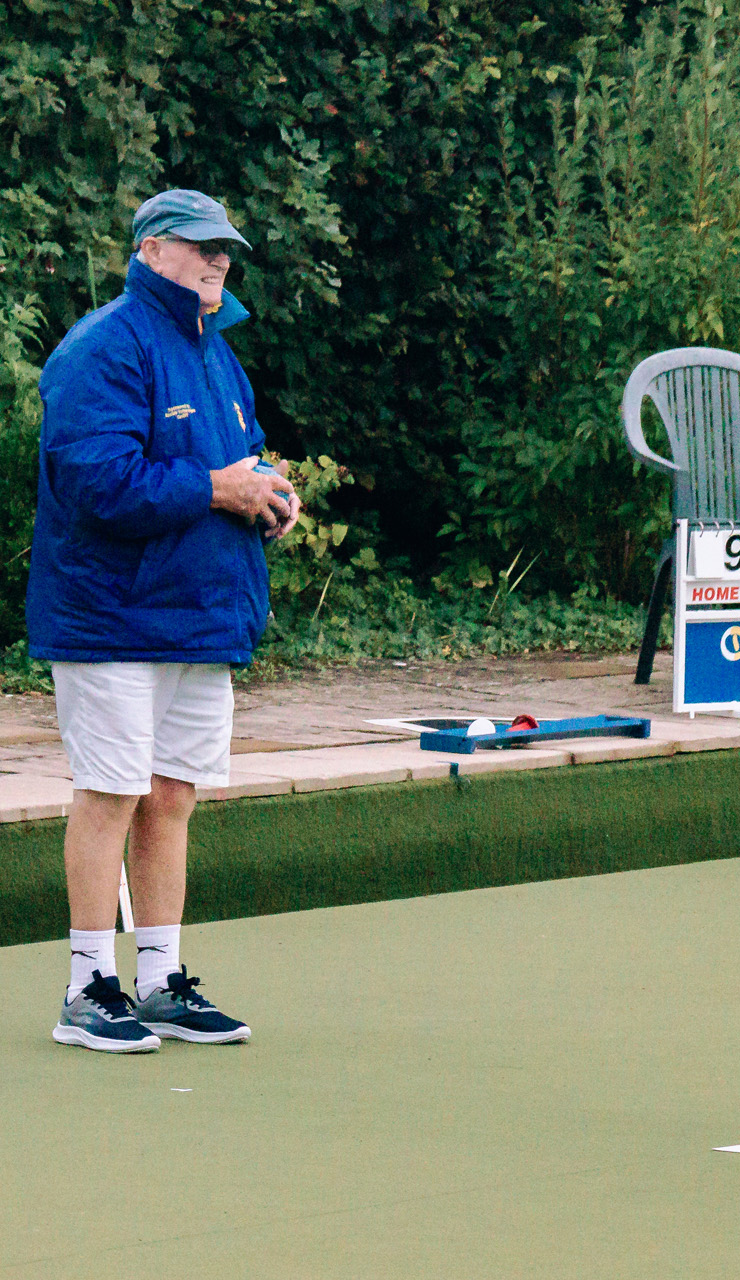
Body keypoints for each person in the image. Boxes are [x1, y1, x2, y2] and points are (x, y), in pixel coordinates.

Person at [27, 189, 300, 1052]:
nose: (219, 259)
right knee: (111, 793)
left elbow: (237, 463)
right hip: (110, 618)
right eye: (200, 245)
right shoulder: (101, 347)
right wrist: (218, 488)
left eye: (225, 248)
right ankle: (86, 989)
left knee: (172, 795)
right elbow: (97, 483)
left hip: (200, 616)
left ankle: (158, 983)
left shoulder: (215, 350)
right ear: (150, 250)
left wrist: (266, 495)